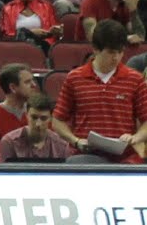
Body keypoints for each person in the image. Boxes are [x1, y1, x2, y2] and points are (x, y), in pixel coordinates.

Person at [53, 19, 147, 163]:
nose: (116, 57)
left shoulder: (135, 79)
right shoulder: (75, 78)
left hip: (125, 157)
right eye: (111, 52)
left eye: (120, 52)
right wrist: (76, 141)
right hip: (86, 156)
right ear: (95, 49)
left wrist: (135, 138)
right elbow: (58, 120)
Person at [0, 64, 39, 158]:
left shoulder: (39, 114)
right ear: (13, 88)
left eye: (33, 80)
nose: (34, 85)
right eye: (27, 82)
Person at [0, 93, 72, 162]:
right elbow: (4, 171)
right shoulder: (9, 142)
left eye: (43, 118)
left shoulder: (62, 145)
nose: (38, 124)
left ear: (51, 118)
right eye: (34, 117)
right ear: (26, 115)